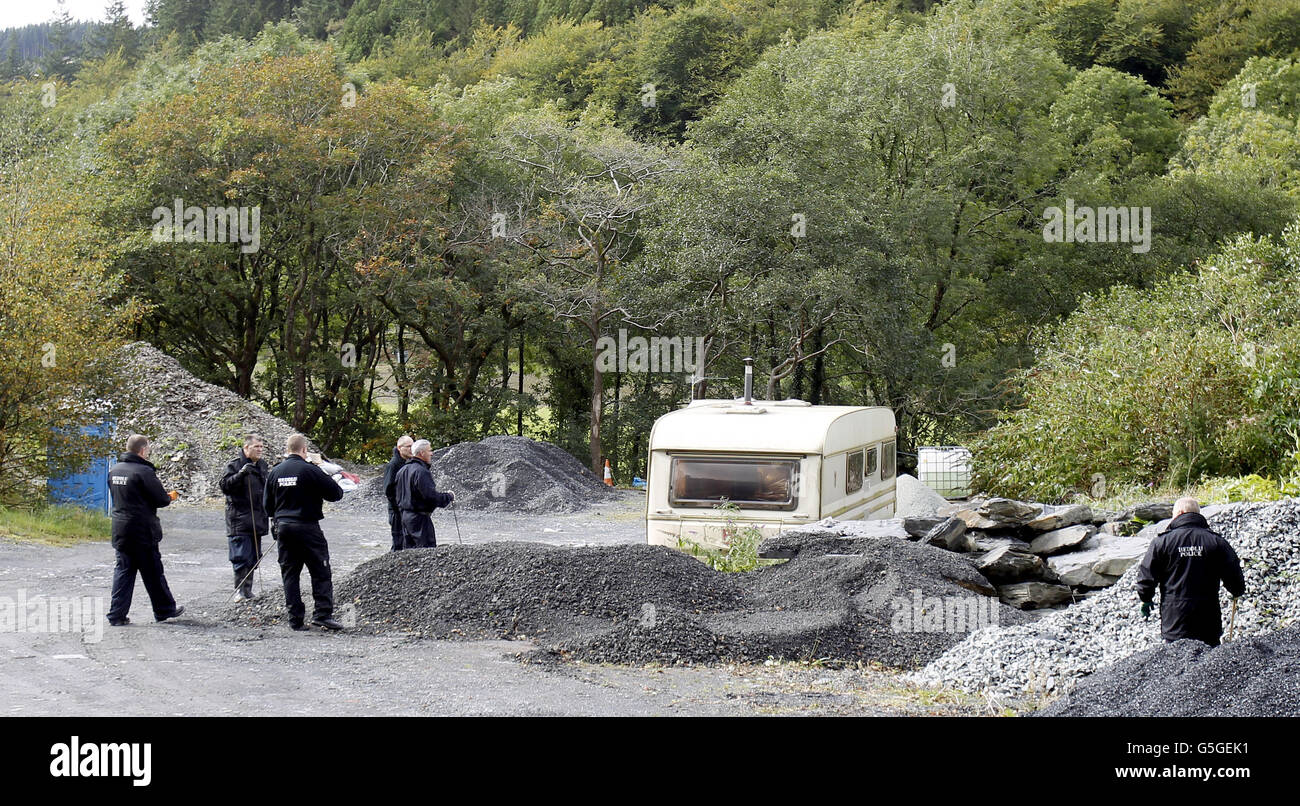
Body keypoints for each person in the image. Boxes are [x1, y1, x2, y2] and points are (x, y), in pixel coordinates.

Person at [1136, 497, 1246, 647]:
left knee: (1176, 659)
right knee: (1208, 662)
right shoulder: (1216, 542)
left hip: (1174, 620)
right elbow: (1233, 573)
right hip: (1208, 620)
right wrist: (1236, 590)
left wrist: (1146, 597)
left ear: (1180, 513)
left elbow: (1146, 576)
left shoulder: (1162, 542)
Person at [263, 433, 344, 631]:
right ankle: (323, 614)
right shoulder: (310, 470)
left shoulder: (275, 472)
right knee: (320, 570)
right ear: (304, 450)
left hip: (284, 528)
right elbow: (336, 494)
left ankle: (295, 619)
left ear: (287, 449)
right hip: (307, 527)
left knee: (290, 574)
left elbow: (267, 506)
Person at [106, 434, 185, 626]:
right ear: (142, 450)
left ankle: (116, 615)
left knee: (124, 572)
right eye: (148, 449)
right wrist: (170, 497)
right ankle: (164, 610)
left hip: (121, 529)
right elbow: (161, 499)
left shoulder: (114, 471)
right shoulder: (144, 472)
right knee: (153, 572)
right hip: (142, 530)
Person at [219, 433, 269, 599]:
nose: (260, 450)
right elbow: (225, 486)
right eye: (256, 447)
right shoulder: (234, 465)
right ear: (246, 448)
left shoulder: (262, 465)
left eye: (261, 447)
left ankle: (248, 590)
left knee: (254, 557)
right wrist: (240, 475)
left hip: (257, 519)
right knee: (241, 557)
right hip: (239, 520)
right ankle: (240, 591)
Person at [394, 439, 454, 549]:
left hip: (405, 517)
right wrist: (448, 497)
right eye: (430, 450)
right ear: (422, 453)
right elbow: (430, 496)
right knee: (426, 551)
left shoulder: (402, 471)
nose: (432, 453)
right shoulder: (421, 471)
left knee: (409, 553)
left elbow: (396, 495)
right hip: (419, 519)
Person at [382, 434, 414, 552]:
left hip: (406, 509)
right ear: (400, 448)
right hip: (397, 511)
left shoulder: (409, 462)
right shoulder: (394, 465)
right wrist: (400, 505)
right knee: (398, 542)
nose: (412, 449)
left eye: (413, 446)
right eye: (408, 446)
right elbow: (388, 489)